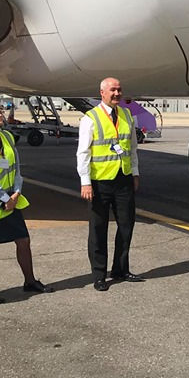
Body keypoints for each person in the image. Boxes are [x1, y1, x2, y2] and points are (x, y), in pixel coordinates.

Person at [0, 102, 53, 303]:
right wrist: (5, 198)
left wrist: (17, 192)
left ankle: (30, 281)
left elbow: (16, 168)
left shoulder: (6, 137)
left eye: (0, 111)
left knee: (23, 240)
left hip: (11, 200)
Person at [77, 77, 142, 291]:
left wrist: (135, 173)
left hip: (123, 178)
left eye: (119, 90)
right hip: (99, 182)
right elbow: (83, 152)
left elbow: (132, 148)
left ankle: (120, 269)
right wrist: (85, 182)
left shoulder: (127, 115)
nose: (117, 94)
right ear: (102, 93)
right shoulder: (90, 118)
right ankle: (99, 274)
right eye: (113, 90)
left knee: (126, 225)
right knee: (98, 228)